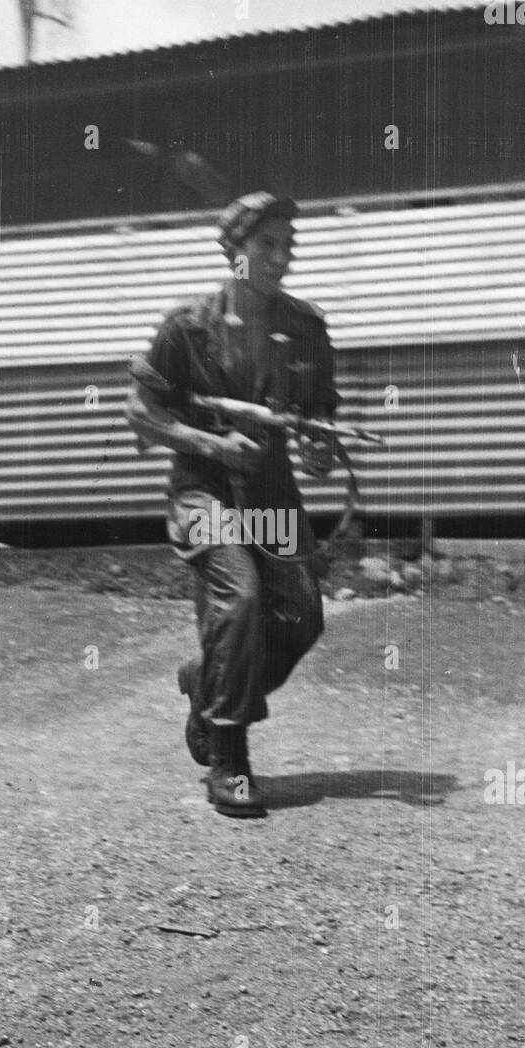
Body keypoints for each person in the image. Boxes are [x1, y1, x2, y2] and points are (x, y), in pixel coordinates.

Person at [126, 192, 339, 818]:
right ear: (234, 249)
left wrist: (320, 449)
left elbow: (320, 416)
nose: (281, 256)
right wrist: (212, 445)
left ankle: (208, 683)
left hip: (271, 491)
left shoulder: (305, 328)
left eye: (288, 245)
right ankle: (229, 757)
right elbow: (141, 412)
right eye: (266, 244)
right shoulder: (187, 327)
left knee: (301, 617)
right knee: (240, 598)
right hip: (204, 489)